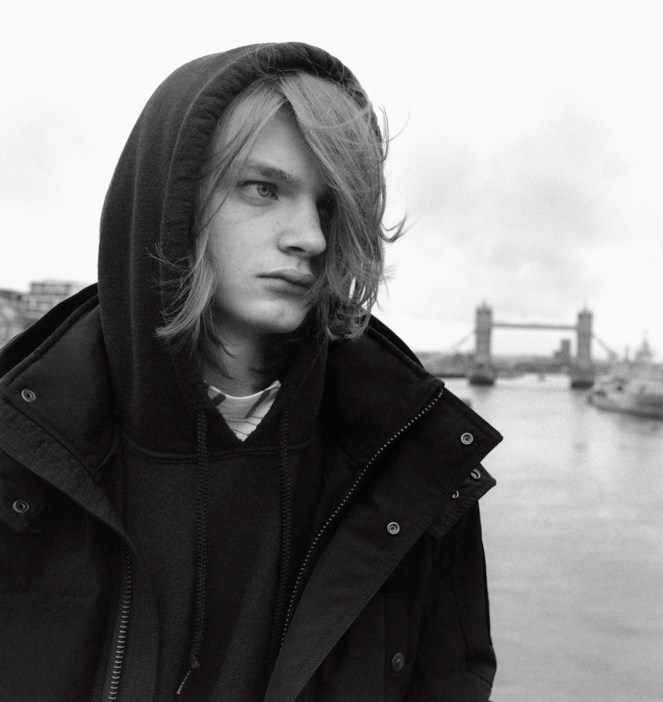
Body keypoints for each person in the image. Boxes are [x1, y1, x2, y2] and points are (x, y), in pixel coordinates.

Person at [0, 42, 501, 701]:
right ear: (169, 201)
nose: (310, 238)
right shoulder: (21, 456)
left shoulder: (413, 464)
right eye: (263, 189)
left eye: (327, 206)